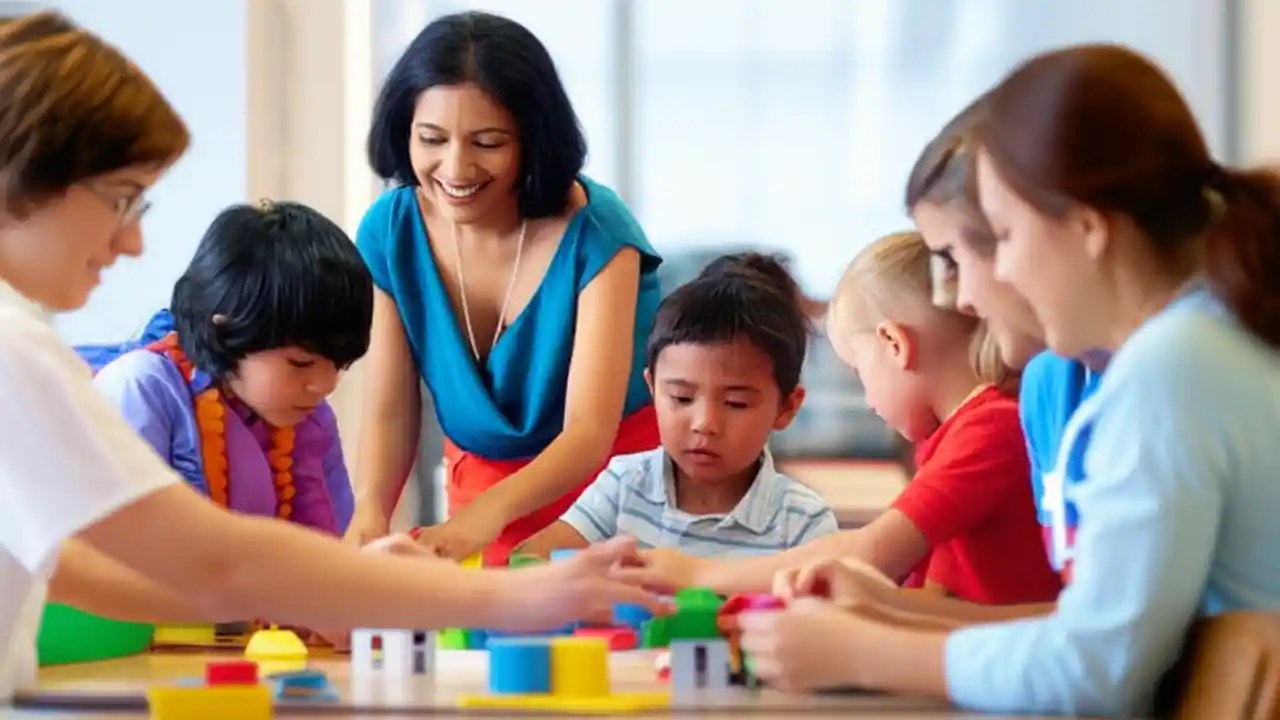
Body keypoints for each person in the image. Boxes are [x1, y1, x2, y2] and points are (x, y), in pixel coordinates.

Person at [0, 10, 662, 701]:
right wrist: (503, 597)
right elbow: (211, 563)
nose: (133, 242)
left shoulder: (18, 342)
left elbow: (65, 563)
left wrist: (309, 599)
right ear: (20, 176)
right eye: (122, 199)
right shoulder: (26, 352)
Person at [739, 44, 1280, 718]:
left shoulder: (1171, 371)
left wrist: (858, 652)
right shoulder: (1190, 349)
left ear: (1086, 228)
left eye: (1002, 235)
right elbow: (1113, 642)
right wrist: (889, 612)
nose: (981, 288)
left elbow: (1098, 670)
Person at [348, 11, 663, 564]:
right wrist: (370, 513)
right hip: (481, 500)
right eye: (432, 139)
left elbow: (589, 433)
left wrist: (483, 516)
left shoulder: (599, 233)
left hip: (615, 498)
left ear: (533, 141)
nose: (455, 167)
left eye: (487, 142)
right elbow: (391, 410)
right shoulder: (390, 230)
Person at [618, 234, 1058, 607]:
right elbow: (937, 594)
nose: (867, 400)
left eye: (858, 371)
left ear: (894, 345)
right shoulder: (959, 433)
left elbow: (869, 553)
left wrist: (699, 575)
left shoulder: (989, 429)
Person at [518, 254, 837, 558]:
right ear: (652, 389)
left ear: (787, 407)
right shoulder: (624, 485)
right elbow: (537, 559)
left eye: (735, 403)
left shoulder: (803, 522)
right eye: (681, 398)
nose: (704, 423)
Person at [91, 201, 368, 535]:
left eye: (339, 364)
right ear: (226, 332)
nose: (325, 384)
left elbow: (338, 551)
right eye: (301, 363)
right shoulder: (142, 389)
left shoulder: (312, 418)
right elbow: (121, 555)